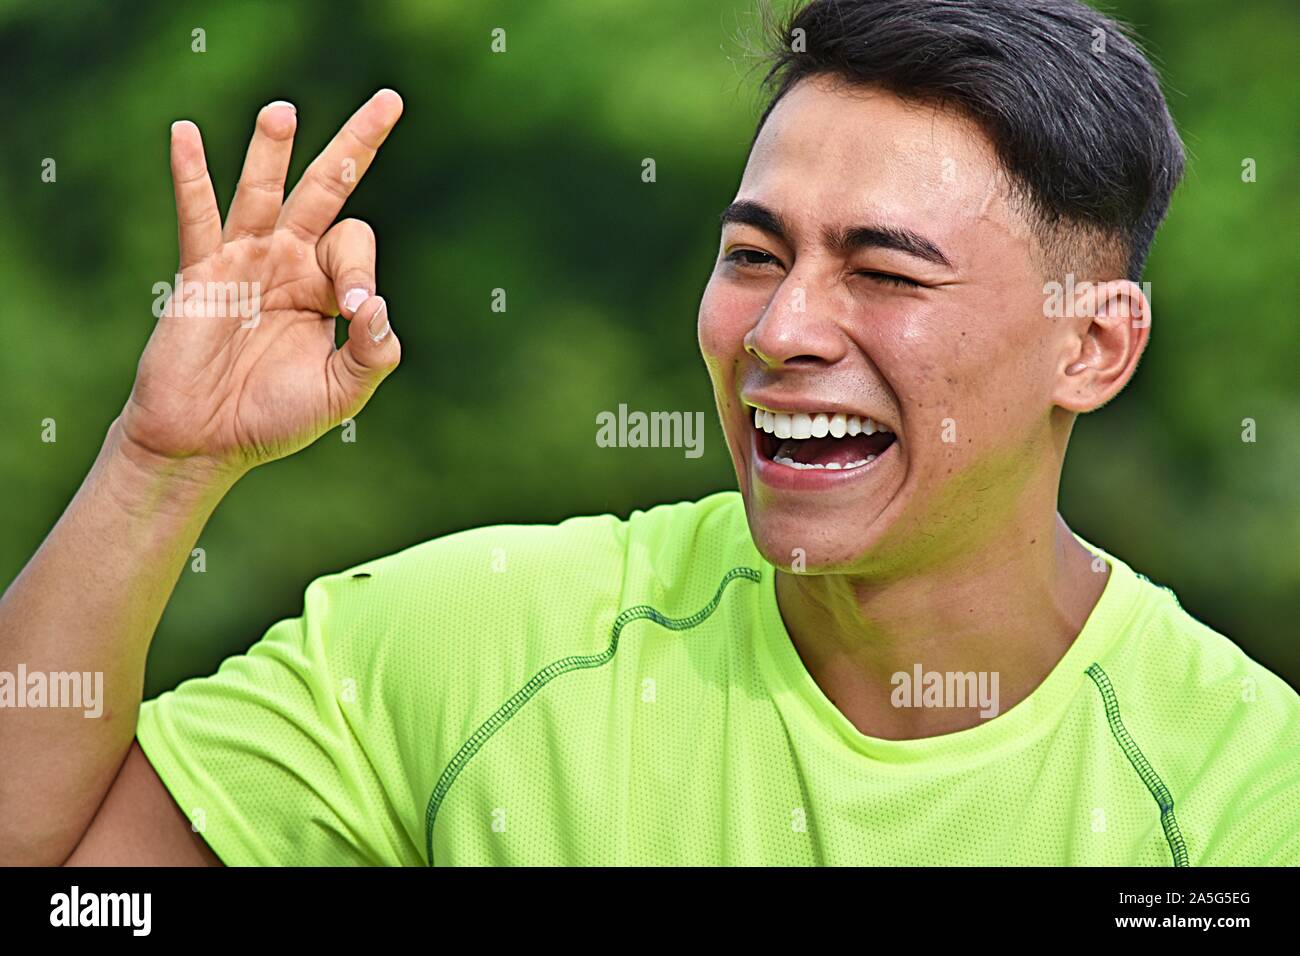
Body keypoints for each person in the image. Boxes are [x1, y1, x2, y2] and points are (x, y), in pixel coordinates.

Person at [2, 0, 1297, 866]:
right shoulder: (466, 644)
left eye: (886, 273)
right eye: (752, 253)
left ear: (1094, 345)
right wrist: (158, 469)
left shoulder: (1243, 802)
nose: (781, 328)